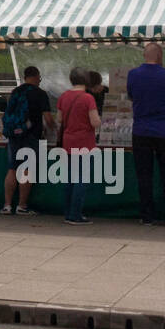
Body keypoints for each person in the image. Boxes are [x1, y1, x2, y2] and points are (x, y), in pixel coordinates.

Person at [127, 43, 165, 225]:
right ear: (160, 55)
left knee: (144, 175)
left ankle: (147, 216)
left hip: (141, 130)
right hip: (164, 131)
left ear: (144, 55)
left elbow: (131, 95)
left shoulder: (133, 75)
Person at [1, 66, 52, 215]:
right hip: (31, 135)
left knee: (12, 169)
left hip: (14, 135)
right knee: (26, 169)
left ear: (25, 77)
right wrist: (54, 128)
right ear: (37, 77)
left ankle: (7, 205)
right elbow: (48, 118)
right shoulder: (40, 94)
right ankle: (22, 206)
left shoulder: (16, 92)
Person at [59, 67, 101, 225]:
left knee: (69, 179)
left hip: (68, 142)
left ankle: (67, 213)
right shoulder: (88, 98)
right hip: (84, 143)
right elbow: (95, 122)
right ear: (87, 81)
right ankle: (76, 214)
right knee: (81, 179)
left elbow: (59, 120)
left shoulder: (63, 96)